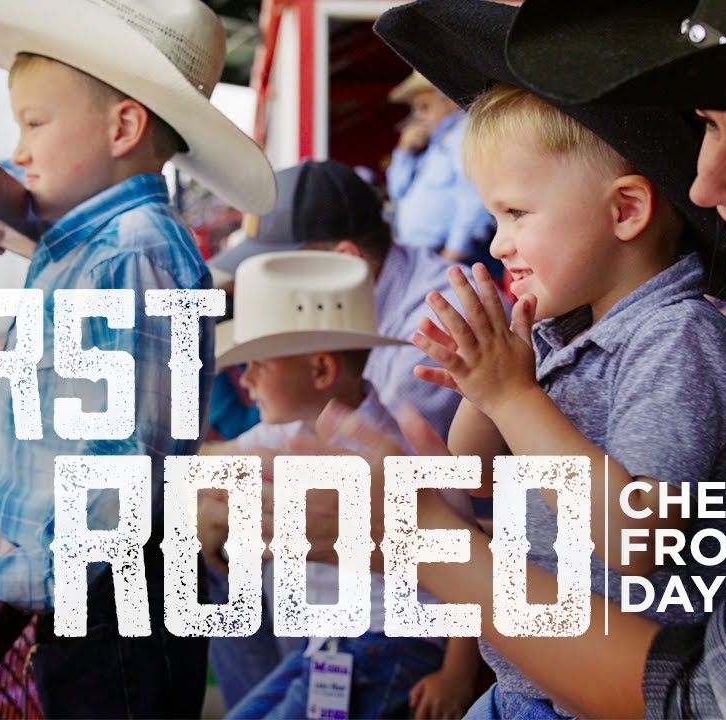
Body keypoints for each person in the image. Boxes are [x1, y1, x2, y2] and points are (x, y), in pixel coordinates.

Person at [292, 0, 726, 717]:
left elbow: (653, 577)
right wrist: (484, 387)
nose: (702, 186)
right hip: (533, 679)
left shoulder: (680, 338)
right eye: (705, 124)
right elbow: (477, 467)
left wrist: (451, 487)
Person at [0, 0, 275, 716]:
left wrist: (13, 575)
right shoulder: (117, 240)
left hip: (106, 591)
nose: (18, 149)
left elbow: (118, 465)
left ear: (122, 127)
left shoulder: (130, 252)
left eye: (35, 123)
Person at [202, 250, 453, 720]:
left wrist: (457, 673)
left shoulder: (389, 448)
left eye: (257, 364)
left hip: (389, 642)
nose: (246, 379)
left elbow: (461, 554)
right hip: (330, 645)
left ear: (321, 370)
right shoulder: (292, 432)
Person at [208, 160, 475, 442]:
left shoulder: (441, 324)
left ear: (345, 259)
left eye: (279, 270)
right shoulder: (382, 291)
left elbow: (379, 452)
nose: (262, 288)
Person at [386, 72, 496, 268]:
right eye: (415, 109)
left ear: (450, 102)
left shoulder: (463, 133)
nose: (418, 116)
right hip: (431, 258)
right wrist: (403, 152)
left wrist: (452, 255)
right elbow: (397, 192)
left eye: (425, 107)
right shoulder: (433, 144)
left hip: (455, 259)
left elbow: (475, 198)